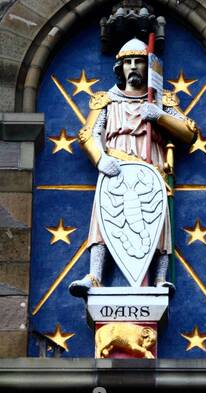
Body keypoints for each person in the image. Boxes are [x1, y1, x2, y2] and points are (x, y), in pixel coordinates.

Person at [68, 38, 197, 297]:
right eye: (129, 62)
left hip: (151, 166)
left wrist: (159, 115)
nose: (134, 67)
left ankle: (160, 279)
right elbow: (88, 134)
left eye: (139, 61)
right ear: (120, 68)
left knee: (158, 222)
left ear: (148, 67)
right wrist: (100, 158)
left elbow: (189, 132)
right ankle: (94, 276)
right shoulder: (106, 100)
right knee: (105, 220)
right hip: (115, 166)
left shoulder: (162, 100)